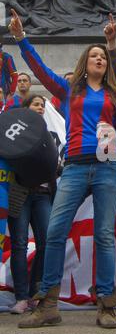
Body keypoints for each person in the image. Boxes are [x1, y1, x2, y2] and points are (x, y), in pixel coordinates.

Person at [8, 8, 116, 329]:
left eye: (102, 56)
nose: (99, 59)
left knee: (104, 235)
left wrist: (112, 45)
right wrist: (21, 39)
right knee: (56, 232)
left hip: (106, 169)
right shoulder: (70, 89)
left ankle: (105, 304)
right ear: (85, 63)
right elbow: (42, 71)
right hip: (74, 167)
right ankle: (48, 304)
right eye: (95, 56)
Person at [8, 94, 55, 314]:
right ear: (25, 108)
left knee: (47, 243)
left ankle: (37, 293)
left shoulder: (50, 135)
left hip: (43, 194)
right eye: (36, 104)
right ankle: (21, 297)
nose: (40, 108)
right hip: (20, 193)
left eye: (43, 105)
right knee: (19, 244)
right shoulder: (13, 133)